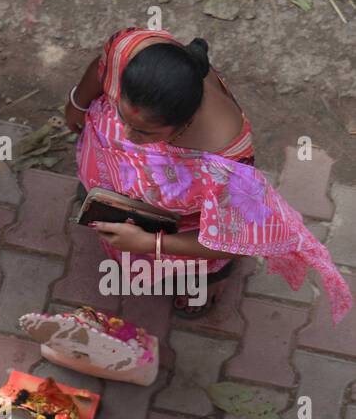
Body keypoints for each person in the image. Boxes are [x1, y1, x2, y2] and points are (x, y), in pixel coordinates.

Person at [66, 26, 351, 322]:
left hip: (174, 233)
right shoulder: (131, 49)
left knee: (191, 265)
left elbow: (236, 240)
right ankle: (105, 197)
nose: (127, 136)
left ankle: (209, 278)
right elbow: (101, 70)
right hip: (121, 183)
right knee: (102, 196)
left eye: (144, 132)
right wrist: (78, 103)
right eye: (120, 115)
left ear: (186, 122)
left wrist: (150, 243)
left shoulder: (226, 161)